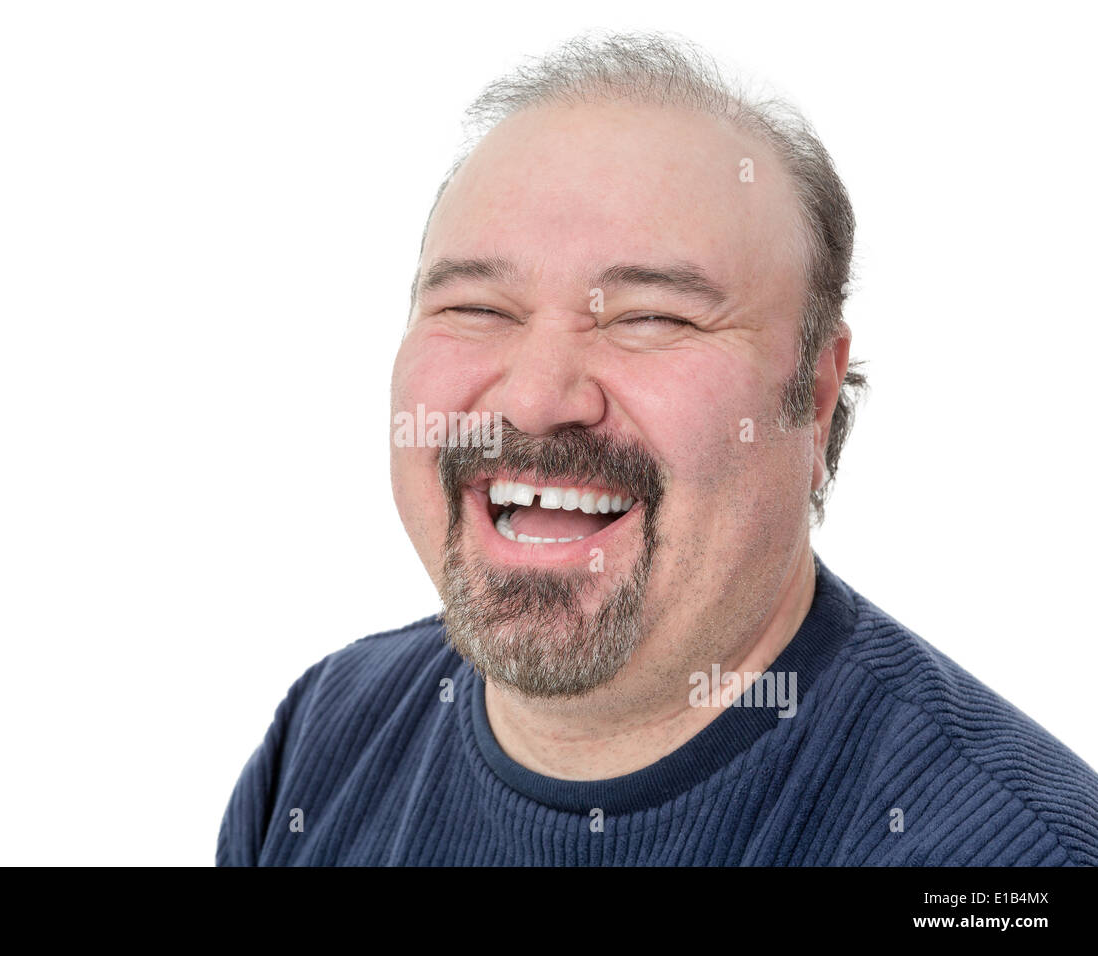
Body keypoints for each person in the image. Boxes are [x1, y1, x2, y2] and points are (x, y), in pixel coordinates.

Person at [216, 31, 1098, 866]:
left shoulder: (1009, 863)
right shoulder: (325, 736)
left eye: (651, 319)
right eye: (475, 308)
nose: (535, 399)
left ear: (817, 393)